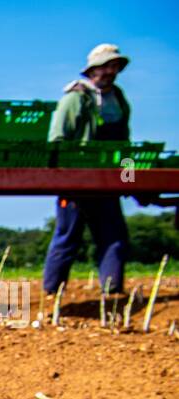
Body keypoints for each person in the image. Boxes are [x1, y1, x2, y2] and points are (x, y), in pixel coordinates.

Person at [43, 43, 134, 296]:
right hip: (77, 178)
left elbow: (124, 141)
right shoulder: (75, 98)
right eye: (106, 66)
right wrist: (63, 176)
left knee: (114, 236)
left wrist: (128, 178)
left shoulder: (119, 99)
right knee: (68, 236)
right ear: (93, 69)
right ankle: (52, 294)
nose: (110, 72)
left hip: (107, 180)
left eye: (115, 67)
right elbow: (58, 139)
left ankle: (113, 293)